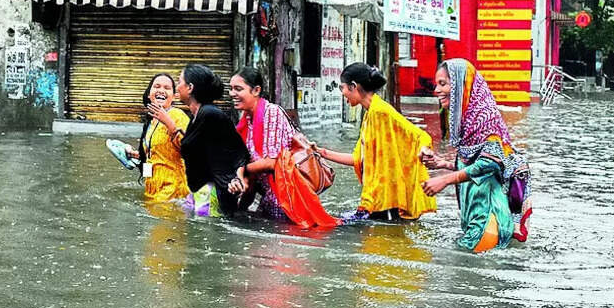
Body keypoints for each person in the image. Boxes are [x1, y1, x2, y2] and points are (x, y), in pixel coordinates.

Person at [421, 58, 533, 252]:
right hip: (475, 220)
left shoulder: (485, 119)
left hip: (488, 225)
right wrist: (443, 163)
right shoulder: (468, 122)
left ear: (461, 86)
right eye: (436, 84)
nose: (437, 90)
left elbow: (490, 163)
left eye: (443, 84)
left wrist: (445, 180)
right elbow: (474, 163)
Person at [313, 63, 436, 222]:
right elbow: (358, 159)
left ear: (353, 86)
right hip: (381, 198)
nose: (342, 93)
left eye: (342, 88)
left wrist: (425, 149)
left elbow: (419, 135)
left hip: (387, 199)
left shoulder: (380, 111)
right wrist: (322, 152)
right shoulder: (370, 114)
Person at [229, 67, 338, 229]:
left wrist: (241, 170)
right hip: (271, 202)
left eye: (238, 89)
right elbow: (254, 175)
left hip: (288, 201)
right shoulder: (247, 121)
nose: (232, 94)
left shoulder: (272, 113)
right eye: (230, 89)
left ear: (256, 90)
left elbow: (272, 162)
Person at [175, 64, 249, 217]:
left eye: (179, 81)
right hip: (202, 191)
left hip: (215, 193)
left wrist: (238, 178)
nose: (177, 87)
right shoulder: (198, 116)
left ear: (190, 87)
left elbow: (239, 151)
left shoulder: (209, 114)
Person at [125, 73, 191, 203]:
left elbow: (190, 150)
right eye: (157, 86)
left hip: (172, 191)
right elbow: (157, 154)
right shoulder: (152, 121)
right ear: (150, 94)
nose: (161, 90)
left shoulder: (178, 116)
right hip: (153, 189)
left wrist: (169, 123)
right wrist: (138, 155)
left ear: (174, 96)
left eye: (167, 88)